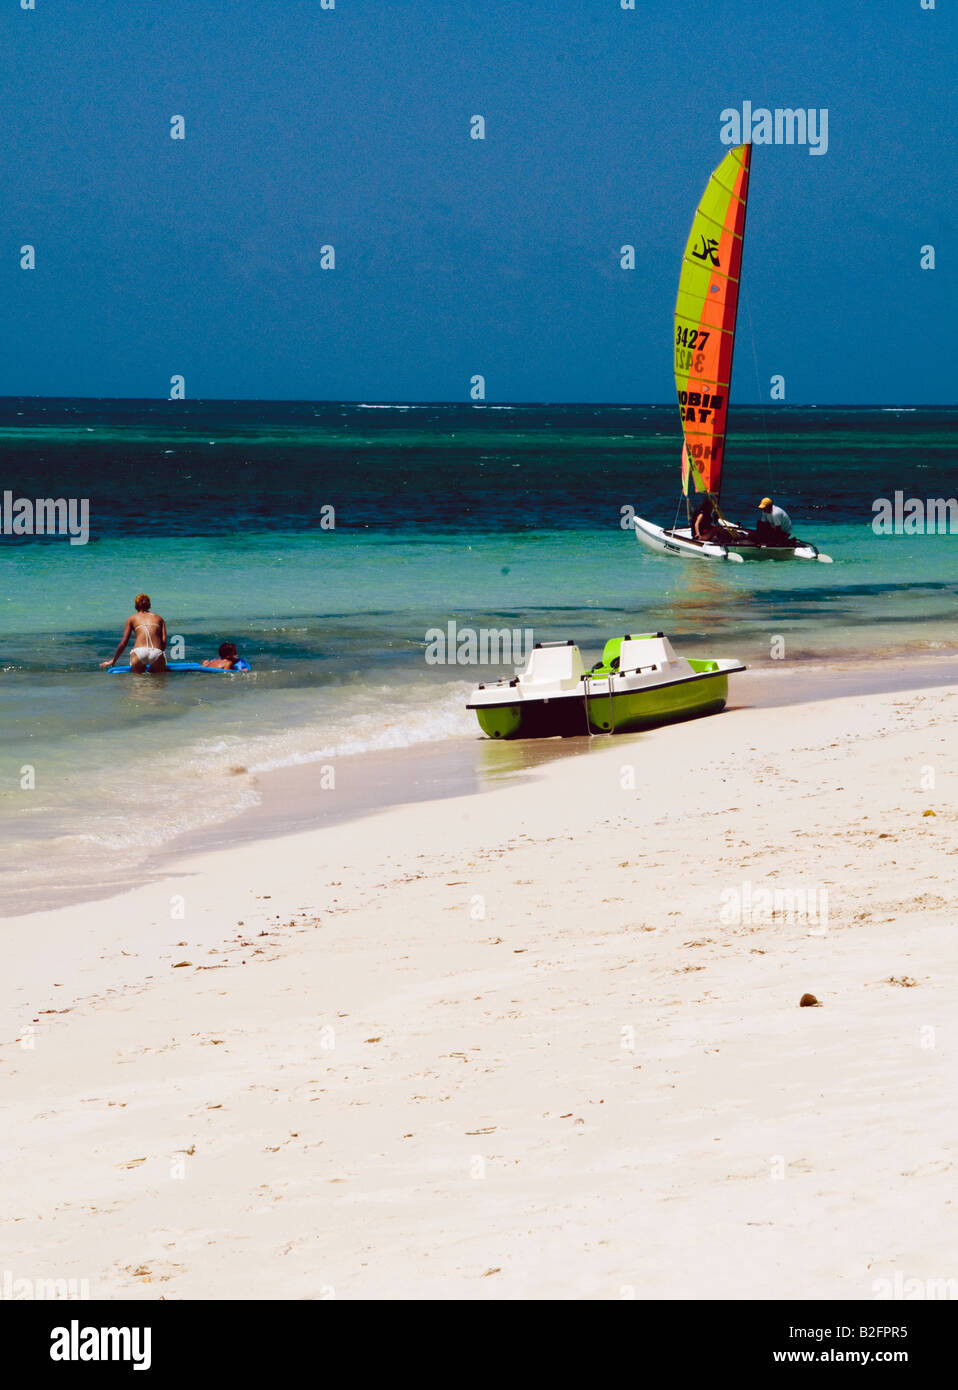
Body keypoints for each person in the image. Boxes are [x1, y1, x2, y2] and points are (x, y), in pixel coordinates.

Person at [100, 593, 167, 672]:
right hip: (156, 651)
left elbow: (123, 643)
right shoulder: (159, 618)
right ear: (149, 604)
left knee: (136, 682)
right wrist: (158, 656)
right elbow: (164, 641)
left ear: (136, 605)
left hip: (139, 652)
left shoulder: (132, 619)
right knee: (159, 682)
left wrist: (113, 660)